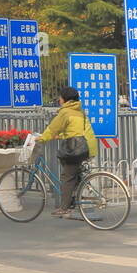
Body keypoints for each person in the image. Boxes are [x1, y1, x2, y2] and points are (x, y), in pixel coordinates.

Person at [35, 86, 99, 217]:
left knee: (67, 176)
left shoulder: (66, 112)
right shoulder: (79, 111)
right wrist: (62, 136)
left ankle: (64, 207)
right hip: (87, 146)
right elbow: (75, 131)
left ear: (65, 99)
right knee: (73, 173)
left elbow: (53, 128)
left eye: (60, 97)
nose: (59, 99)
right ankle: (73, 196)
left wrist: (41, 138)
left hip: (76, 149)